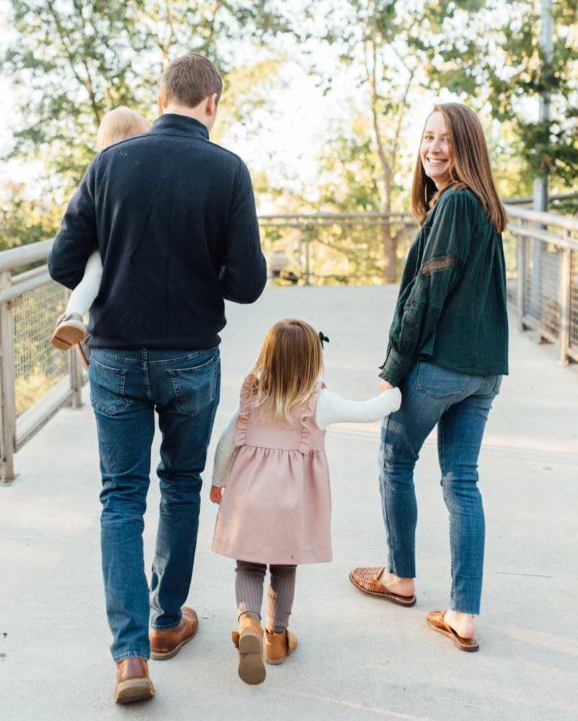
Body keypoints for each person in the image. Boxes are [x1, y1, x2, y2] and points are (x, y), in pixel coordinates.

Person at [47, 53, 267, 704]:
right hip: (191, 357)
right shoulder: (227, 170)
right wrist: (204, 271)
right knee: (180, 483)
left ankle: (129, 658)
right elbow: (248, 283)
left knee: (120, 498)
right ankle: (167, 621)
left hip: (115, 356)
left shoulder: (110, 164)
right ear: (212, 103)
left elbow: (64, 261)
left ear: (162, 95)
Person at [348, 103, 509, 653]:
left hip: (442, 366)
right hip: (484, 371)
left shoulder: (456, 203)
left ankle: (400, 576)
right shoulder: (482, 206)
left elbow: (427, 293)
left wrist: (394, 369)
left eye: (446, 139)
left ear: (467, 147)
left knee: (395, 457)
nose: (434, 148)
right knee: (461, 480)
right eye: (428, 137)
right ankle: (463, 613)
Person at [210, 319, 400, 684]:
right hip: (291, 507)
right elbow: (366, 411)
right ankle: (276, 638)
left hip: (249, 500)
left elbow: (225, 443)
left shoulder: (253, 398)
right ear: (314, 360)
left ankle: (248, 622)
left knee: (248, 566)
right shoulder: (318, 402)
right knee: (284, 568)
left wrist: (219, 482)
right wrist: (392, 394)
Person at [49, 107, 150, 356]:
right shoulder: (134, 174)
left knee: (93, 277)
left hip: (101, 247)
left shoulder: (97, 175)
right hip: (124, 249)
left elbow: (65, 253)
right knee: (96, 274)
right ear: (126, 138)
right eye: (142, 137)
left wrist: (109, 288)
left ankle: (72, 315)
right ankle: (72, 316)